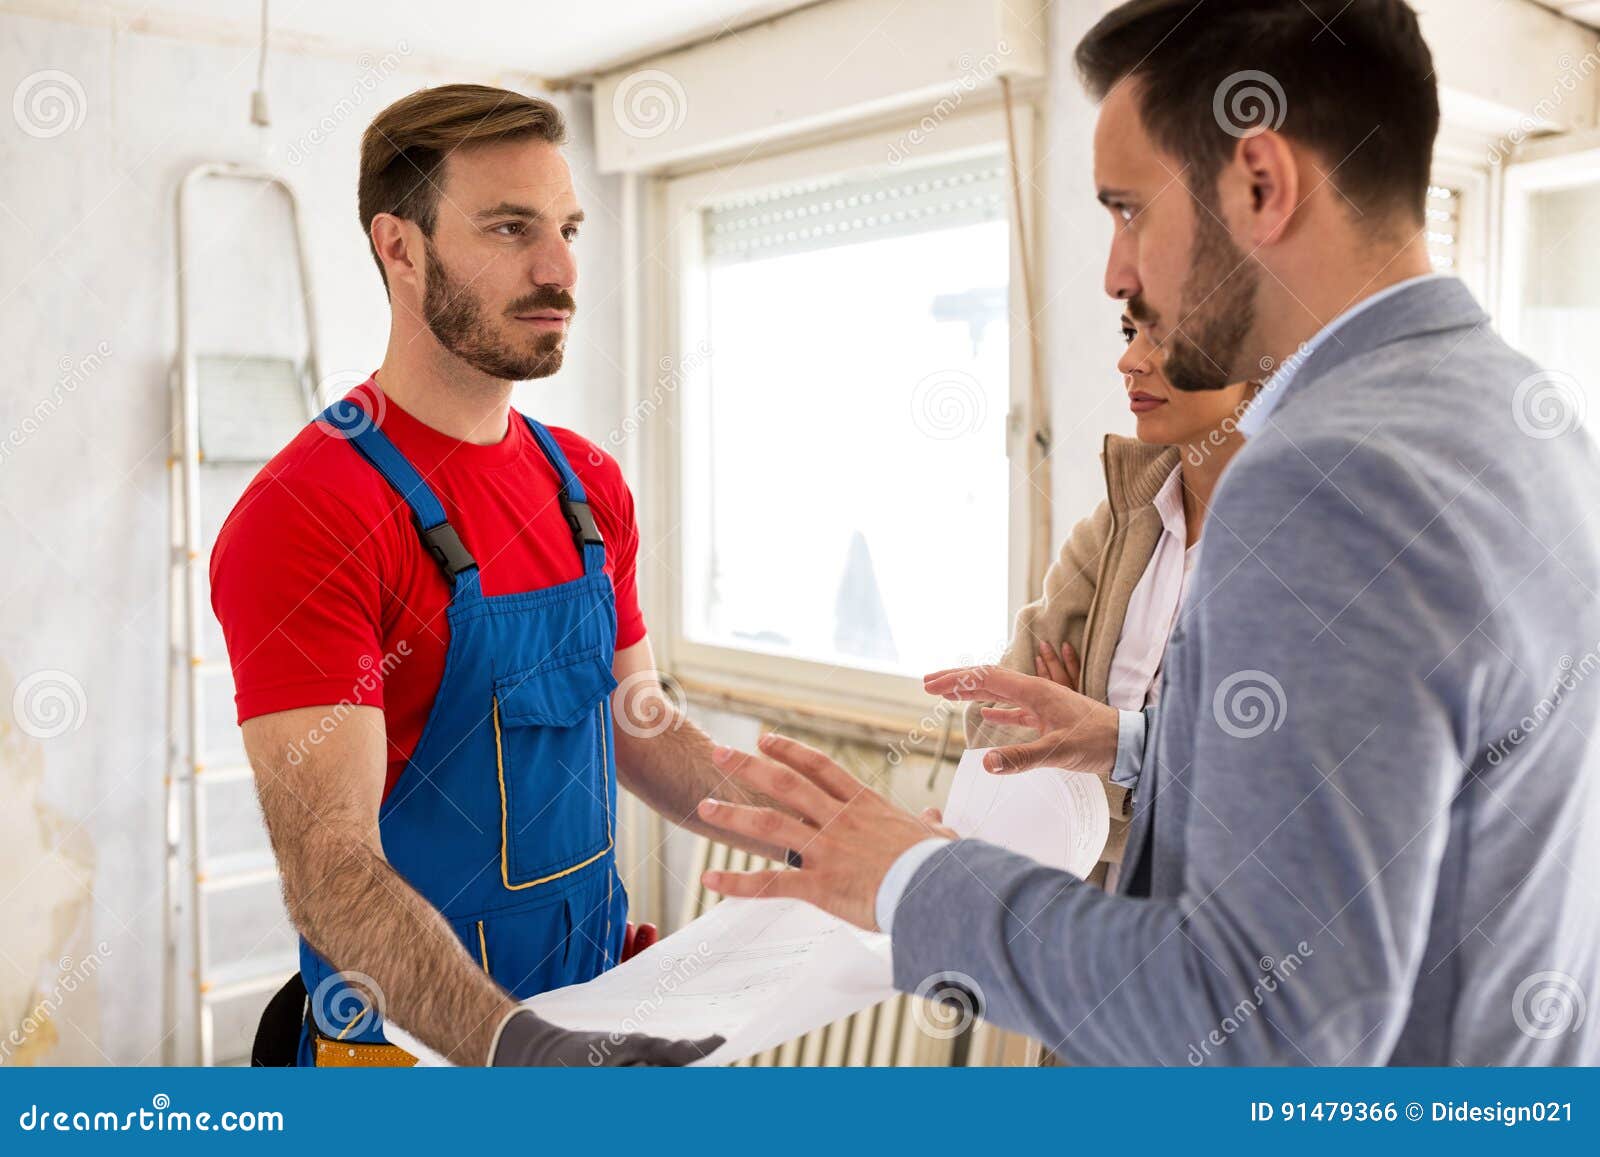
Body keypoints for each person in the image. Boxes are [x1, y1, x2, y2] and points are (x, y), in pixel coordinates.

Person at [693, 0, 1600, 1065]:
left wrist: (902, 874)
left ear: (1260, 182)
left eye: (1127, 211)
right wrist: (1133, 742)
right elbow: (1424, 787)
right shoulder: (1523, 413)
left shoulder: (1322, 474)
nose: (1116, 274)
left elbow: (1267, 1023)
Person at [211, 84, 758, 1067]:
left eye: (568, 228)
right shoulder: (312, 511)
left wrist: (846, 837)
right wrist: (521, 1049)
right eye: (510, 228)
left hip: (593, 1014)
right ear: (401, 246)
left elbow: (642, 725)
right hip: (423, 1057)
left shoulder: (585, 485)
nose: (559, 269)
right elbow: (330, 862)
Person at [966, 310, 1254, 894]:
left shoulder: (1307, 542)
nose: (1130, 361)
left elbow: (1256, 792)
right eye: (1128, 332)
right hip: (1097, 926)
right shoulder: (1119, 523)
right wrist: (1121, 753)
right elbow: (989, 728)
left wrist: (1101, 739)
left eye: (1167, 336)